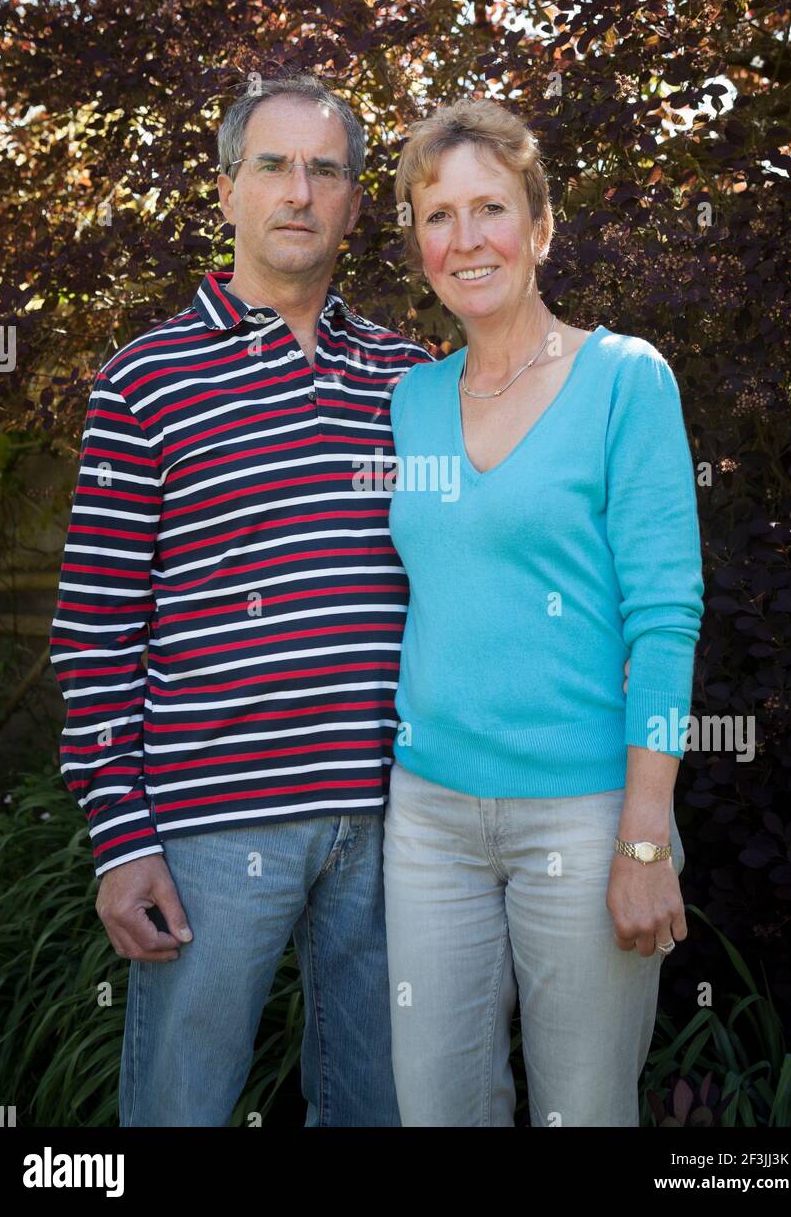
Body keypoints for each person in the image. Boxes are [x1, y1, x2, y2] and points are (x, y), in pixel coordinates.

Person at [49, 73, 435, 1126]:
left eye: (325, 171)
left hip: (394, 817)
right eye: (272, 166)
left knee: (381, 1106)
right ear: (227, 191)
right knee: (182, 1107)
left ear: (354, 203)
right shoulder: (145, 381)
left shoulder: (410, 379)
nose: (299, 192)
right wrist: (122, 838)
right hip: (209, 827)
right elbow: (93, 632)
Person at [382, 97, 705, 1127]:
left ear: (541, 226)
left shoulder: (623, 380)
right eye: (438, 216)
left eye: (491, 208)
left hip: (586, 812)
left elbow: (665, 619)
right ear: (419, 245)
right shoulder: (410, 402)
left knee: (584, 1112)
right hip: (427, 819)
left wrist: (643, 839)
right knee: (436, 1109)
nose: (466, 239)